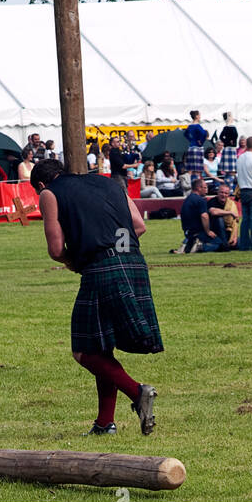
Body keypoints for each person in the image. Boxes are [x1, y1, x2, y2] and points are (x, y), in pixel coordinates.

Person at [31, 157, 161, 438]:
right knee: (101, 347)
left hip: (101, 268)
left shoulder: (49, 194)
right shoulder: (109, 182)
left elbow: (55, 249)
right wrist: (116, 247)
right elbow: (138, 226)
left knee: (85, 349)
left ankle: (137, 392)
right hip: (134, 263)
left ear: (41, 184)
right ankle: (105, 423)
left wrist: (77, 260)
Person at [179, 177, 222, 253]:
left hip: (188, 232)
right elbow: (204, 216)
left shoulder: (188, 199)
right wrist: (208, 231)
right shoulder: (200, 200)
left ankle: (187, 243)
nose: (207, 190)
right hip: (198, 232)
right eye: (205, 187)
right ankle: (199, 247)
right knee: (220, 244)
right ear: (199, 188)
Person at [205, 181, 239, 248]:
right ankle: (224, 244)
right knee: (219, 219)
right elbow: (213, 212)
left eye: (226, 193)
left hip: (228, 232)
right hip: (216, 233)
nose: (223, 195)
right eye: (221, 192)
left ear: (228, 194)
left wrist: (234, 237)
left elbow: (236, 222)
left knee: (244, 242)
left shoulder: (231, 204)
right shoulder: (212, 201)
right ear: (217, 193)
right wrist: (230, 213)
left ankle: (228, 243)